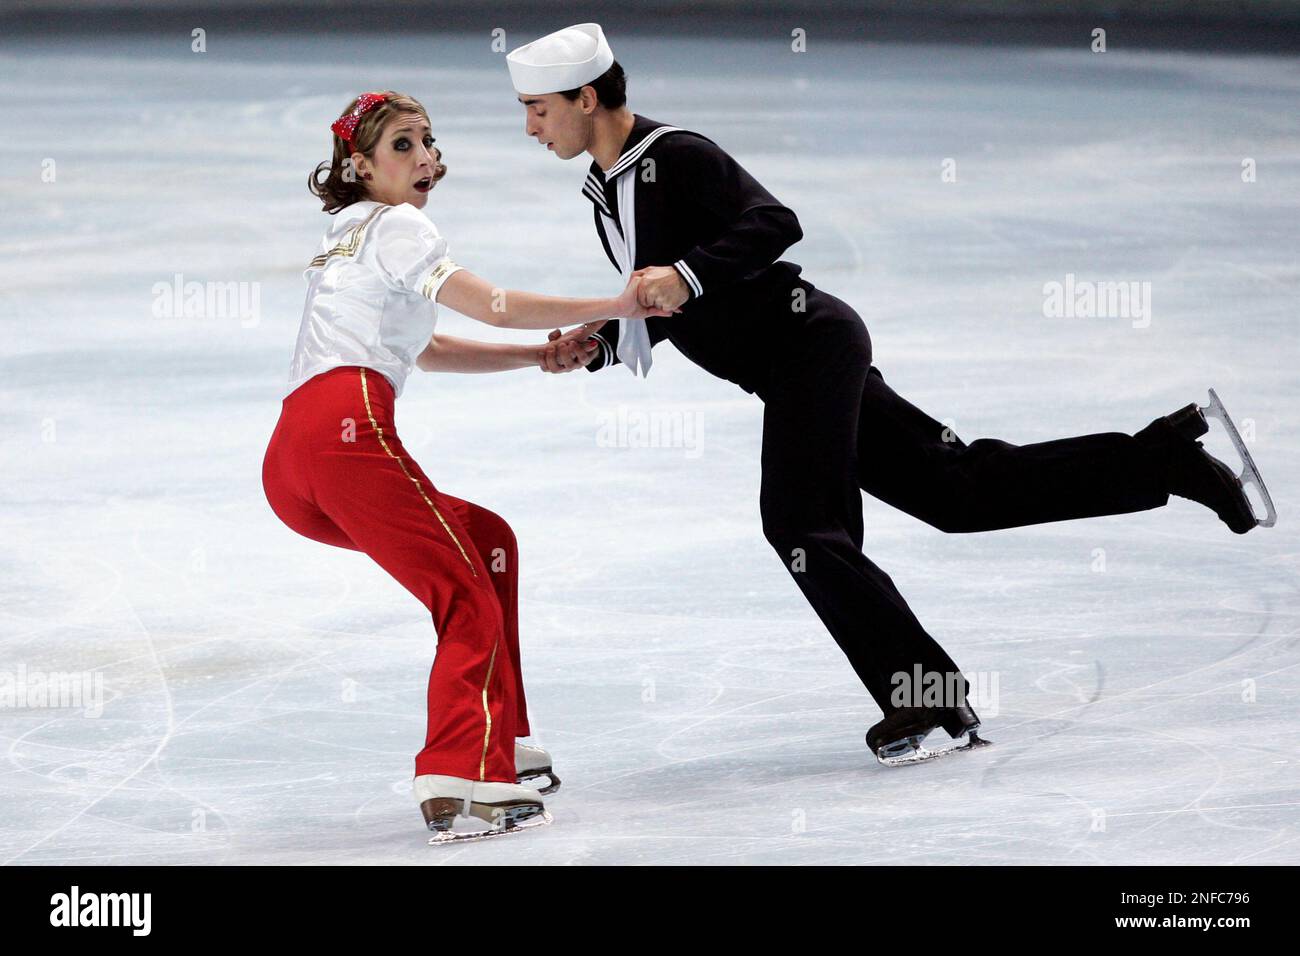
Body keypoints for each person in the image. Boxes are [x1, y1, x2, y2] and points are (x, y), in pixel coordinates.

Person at [512, 25, 1274, 766]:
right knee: (959, 491)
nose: (529, 128)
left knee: (804, 528)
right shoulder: (607, 186)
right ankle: (1162, 460)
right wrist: (604, 340)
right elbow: (675, 301)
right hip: (796, 362)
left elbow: (774, 223)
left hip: (809, 345)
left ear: (584, 98)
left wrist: (686, 274)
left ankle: (922, 688)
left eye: (537, 109)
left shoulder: (672, 155)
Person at [261, 90, 670, 840]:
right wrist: (620, 305)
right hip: (346, 432)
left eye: (428, 142)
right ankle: (462, 775)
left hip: (295, 456)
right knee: (463, 591)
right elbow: (495, 303)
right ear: (361, 165)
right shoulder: (400, 224)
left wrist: (536, 356)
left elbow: (425, 347)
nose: (426, 159)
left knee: (486, 542)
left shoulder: (348, 232)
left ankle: (501, 736)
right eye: (403, 146)